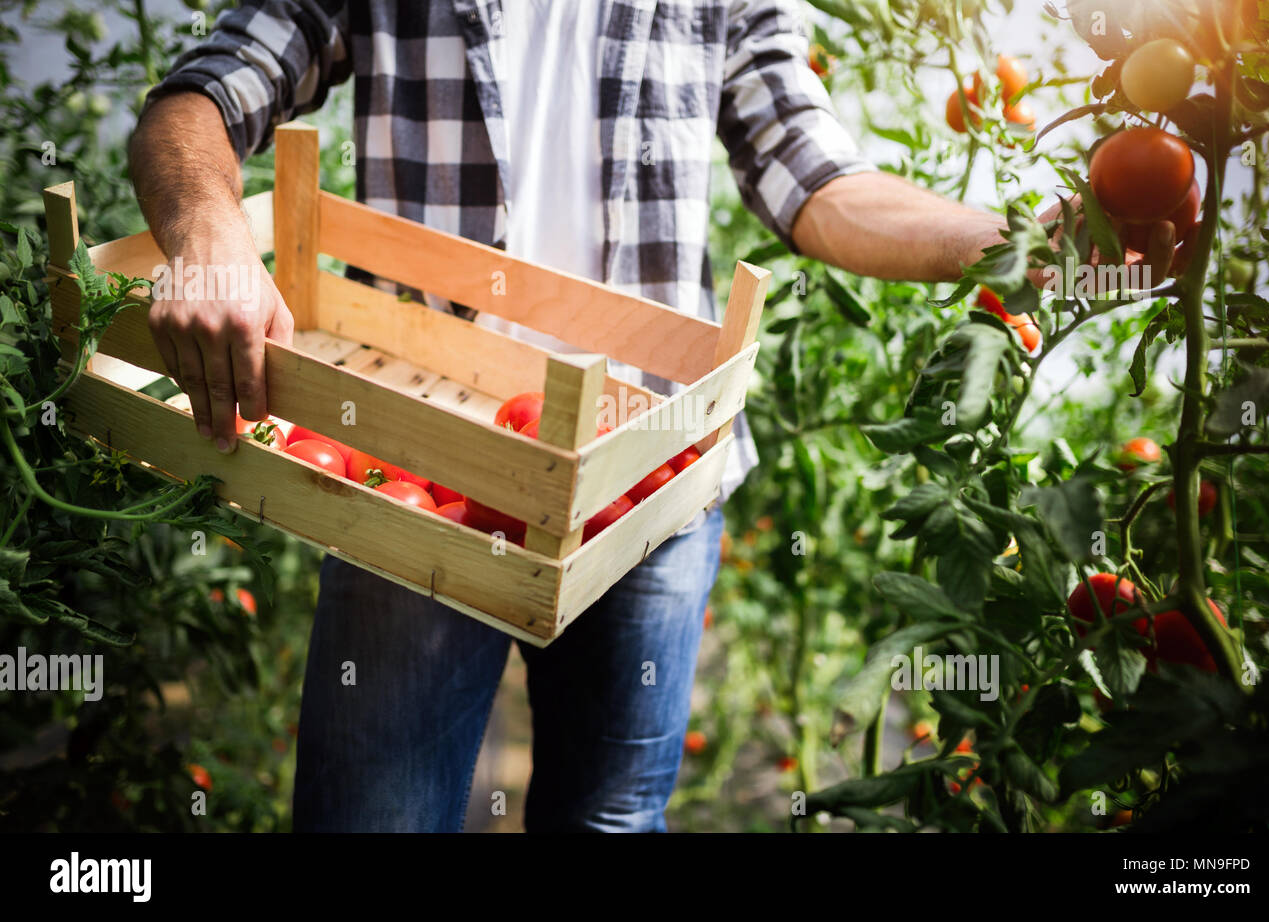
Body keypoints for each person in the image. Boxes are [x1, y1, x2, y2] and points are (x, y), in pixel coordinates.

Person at [129, 0, 1176, 832]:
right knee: (373, 818)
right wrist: (209, 233)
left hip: (652, 478)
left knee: (611, 820)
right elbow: (201, 99)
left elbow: (820, 183)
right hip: (424, 464)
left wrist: (1016, 246)